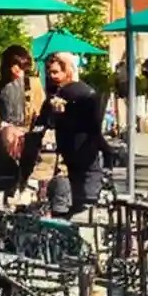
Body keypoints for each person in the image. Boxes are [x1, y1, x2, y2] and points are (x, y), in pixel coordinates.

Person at [37, 52, 115, 216]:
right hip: (72, 157)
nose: (52, 77)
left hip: (82, 156)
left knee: (80, 203)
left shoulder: (79, 94)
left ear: (68, 72)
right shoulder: (62, 96)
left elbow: (92, 127)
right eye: (50, 72)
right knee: (77, 204)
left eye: (56, 72)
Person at [0, 45, 33, 128]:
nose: (17, 69)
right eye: (15, 64)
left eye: (21, 67)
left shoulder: (31, 85)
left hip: (26, 130)